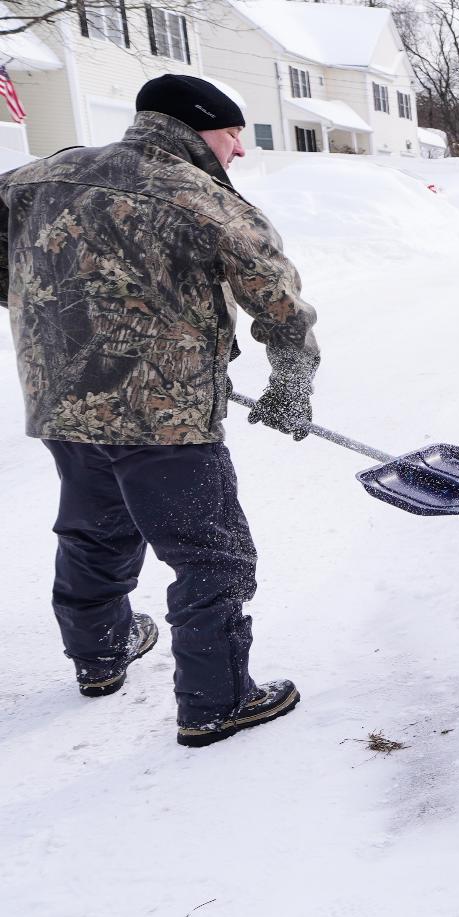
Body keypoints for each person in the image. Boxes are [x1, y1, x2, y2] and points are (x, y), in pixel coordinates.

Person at [0, 75, 320, 747]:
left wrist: (63, 331)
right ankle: (216, 701)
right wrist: (291, 380)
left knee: (96, 529)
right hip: (163, 416)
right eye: (235, 134)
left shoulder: (30, 177)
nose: (239, 150)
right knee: (211, 554)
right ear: (200, 127)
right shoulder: (200, 196)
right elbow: (279, 303)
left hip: (62, 400)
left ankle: (101, 655)